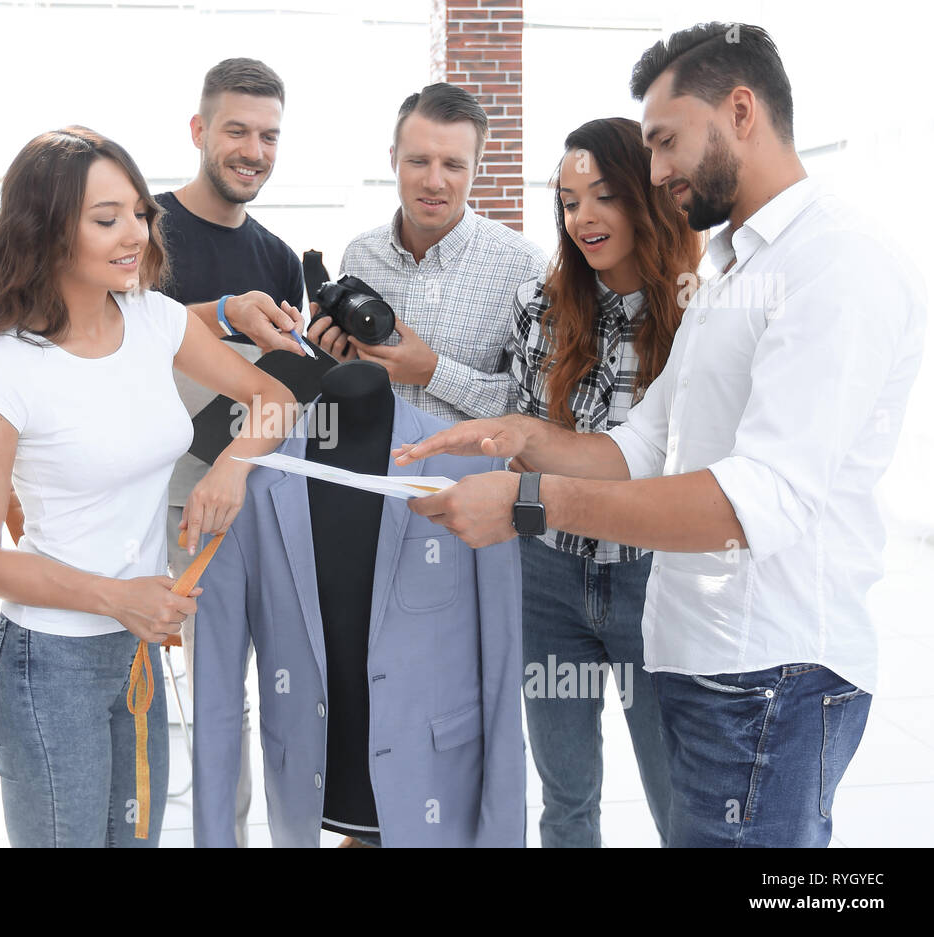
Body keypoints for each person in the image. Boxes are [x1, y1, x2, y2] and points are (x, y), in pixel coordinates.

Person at [396, 22, 926, 848]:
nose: (657, 171)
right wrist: (514, 438)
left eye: (665, 142)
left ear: (741, 111)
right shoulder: (732, 271)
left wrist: (528, 505)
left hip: (770, 678)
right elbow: (639, 446)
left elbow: (756, 502)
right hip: (705, 662)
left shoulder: (837, 264)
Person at [0, 126, 295, 848]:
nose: (134, 233)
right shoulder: (4, 370)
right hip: (50, 665)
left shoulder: (157, 321)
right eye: (106, 219)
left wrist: (233, 465)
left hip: (133, 653)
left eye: (138, 212)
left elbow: (275, 398)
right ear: (45, 232)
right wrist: (121, 597)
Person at [509, 117, 702, 847]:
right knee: (565, 802)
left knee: (678, 799)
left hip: (656, 582)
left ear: (645, 196)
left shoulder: (698, 311)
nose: (583, 217)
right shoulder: (545, 304)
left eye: (603, 195)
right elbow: (526, 435)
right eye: (567, 201)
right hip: (548, 577)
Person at [156, 57, 307, 848]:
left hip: (261, 491)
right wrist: (219, 313)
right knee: (195, 694)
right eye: (237, 130)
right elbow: (108, 337)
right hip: (172, 497)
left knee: (274, 692)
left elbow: (280, 386)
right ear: (200, 131)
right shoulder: (137, 225)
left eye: (269, 136)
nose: (253, 149)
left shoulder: (279, 257)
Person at [308, 82, 547, 423]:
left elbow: (538, 409)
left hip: (467, 475)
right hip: (370, 467)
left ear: (476, 167)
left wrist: (434, 373)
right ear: (393, 160)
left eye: (453, 165)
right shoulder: (360, 254)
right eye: (418, 161)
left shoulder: (526, 267)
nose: (434, 181)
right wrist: (338, 360)